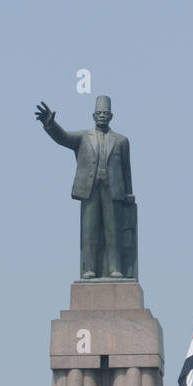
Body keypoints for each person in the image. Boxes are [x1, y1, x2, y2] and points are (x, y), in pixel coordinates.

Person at [35, 93, 135, 279]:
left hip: (113, 191)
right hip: (89, 190)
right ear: (93, 116)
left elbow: (126, 169)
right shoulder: (83, 137)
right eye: (99, 113)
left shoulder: (122, 141)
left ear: (111, 116)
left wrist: (129, 193)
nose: (102, 116)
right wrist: (50, 124)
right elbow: (63, 137)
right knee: (89, 232)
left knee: (113, 233)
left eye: (106, 113)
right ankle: (89, 269)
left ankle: (114, 268)